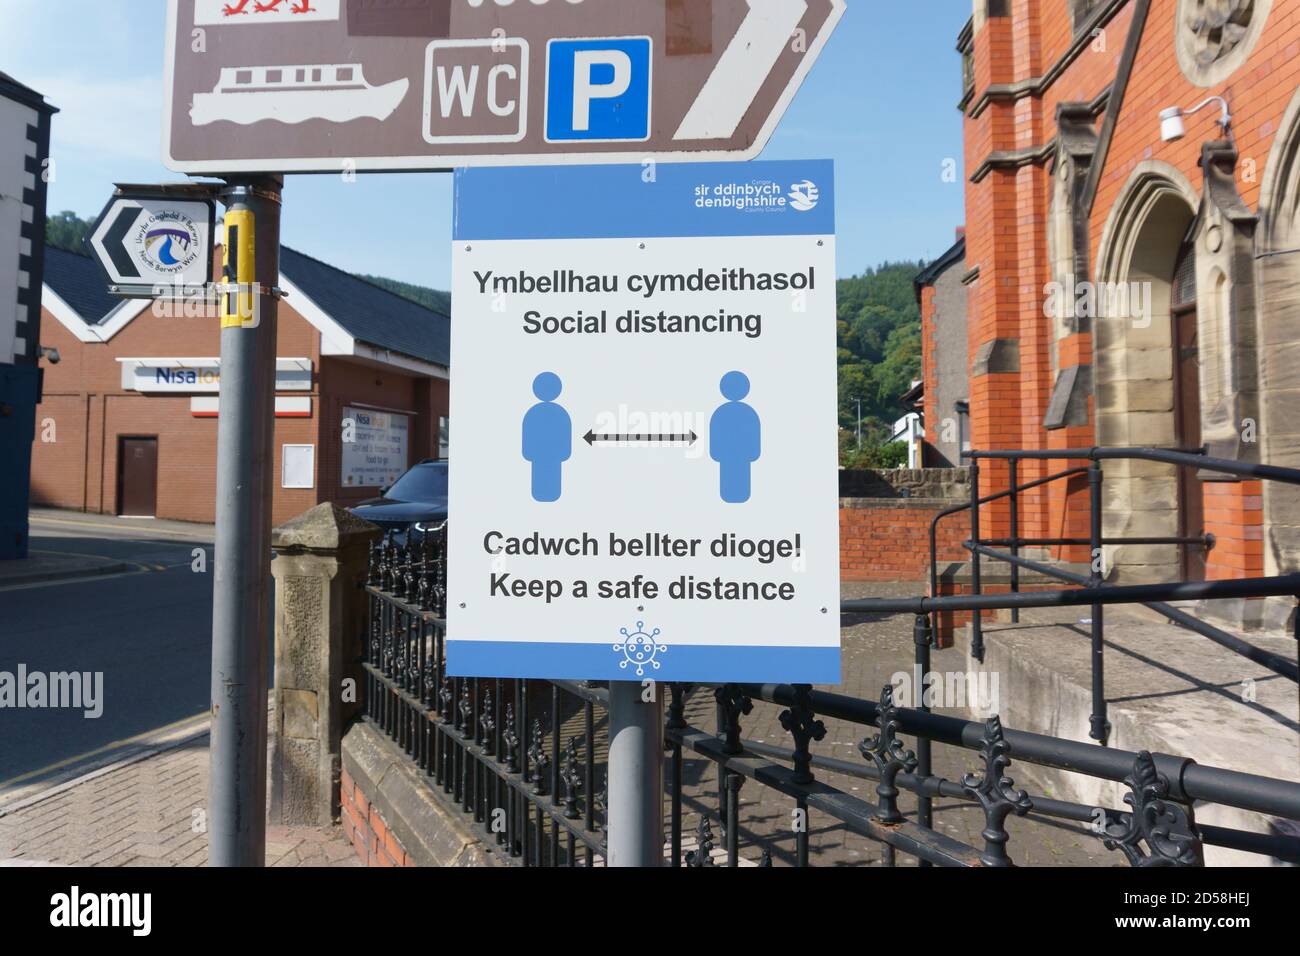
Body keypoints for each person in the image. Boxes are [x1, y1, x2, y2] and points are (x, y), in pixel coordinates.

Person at [709, 371, 760, 503]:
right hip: (741, 459)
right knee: (739, 486)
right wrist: (752, 454)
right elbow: (754, 446)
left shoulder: (720, 413)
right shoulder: (749, 413)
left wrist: (717, 454)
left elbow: (715, 445)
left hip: (729, 459)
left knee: (732, 486)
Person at [522, 371, 571, 502]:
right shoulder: (561, 413)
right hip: (551, 459)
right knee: (548, 488)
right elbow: (565, 446)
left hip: (541, 459)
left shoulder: (533, 413)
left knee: (544, 487)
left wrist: (530, 453)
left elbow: (527, 444)